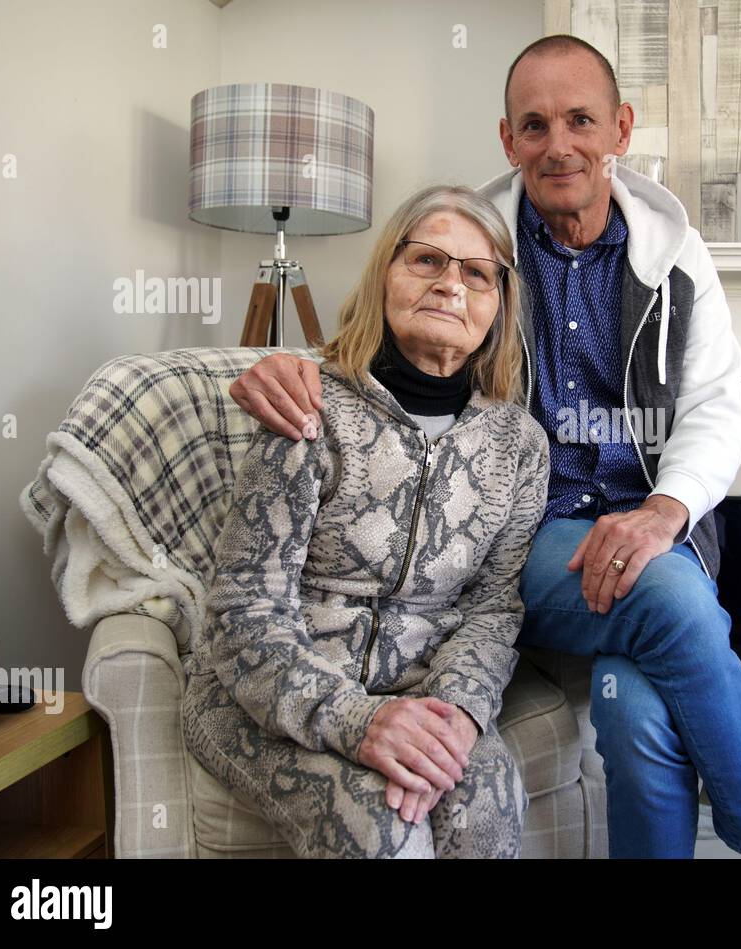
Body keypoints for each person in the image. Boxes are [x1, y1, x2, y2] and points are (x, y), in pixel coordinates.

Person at [228, 34, 741, 859]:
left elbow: (718, 406)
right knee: (677, 604)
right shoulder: (482, 253)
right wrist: (276, 367)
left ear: (621, 129)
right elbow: (394, 343)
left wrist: (661, 513)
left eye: (581, 120)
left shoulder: (678, 257)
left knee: (636, 705)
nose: (559, 145)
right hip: (527, 540)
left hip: (648, 525)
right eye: (534, 125)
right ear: (509, 141)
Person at [182, 184, 548, 858]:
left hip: (422, 693)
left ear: (500, 303)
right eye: (427, 260)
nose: (450, 284)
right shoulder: (306, 406)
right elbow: (243, 613)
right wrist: (362, 721)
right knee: (386, 824)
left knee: (487, 799)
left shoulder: (518, 446)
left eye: (476, 272)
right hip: (265, 701)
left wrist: (458, 716)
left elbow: (494, 609)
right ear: (386, 271)